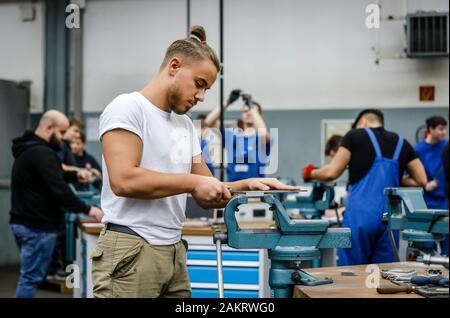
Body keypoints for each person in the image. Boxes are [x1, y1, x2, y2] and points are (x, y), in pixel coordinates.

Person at [92, 25, 297, 298]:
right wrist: (194, 182)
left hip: (174, 251)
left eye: (207, 89)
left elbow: (207, 189)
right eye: (199, 84)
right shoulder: (128, 108)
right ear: (174, 66)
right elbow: (124, 180)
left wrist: (248, 186)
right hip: (132, 248)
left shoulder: (185, 125)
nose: (201, 96)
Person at [302, 109, 427, 266]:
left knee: (352, 273)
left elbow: (332, 172)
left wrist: (310, 172)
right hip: (390, 220)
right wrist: (393, 179)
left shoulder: (354, 135)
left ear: (362, 122)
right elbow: (421, 180)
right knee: (384, 275)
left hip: (360, 216)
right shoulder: (402, 142)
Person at [9, 110, 103, 298]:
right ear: (48, 127)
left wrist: (75, 174)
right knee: (30, 279)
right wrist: (88, 209)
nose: (63, 139)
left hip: (23, 223)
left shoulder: (29, 149)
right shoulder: (42, 153)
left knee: (28, 277)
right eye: (61, 133)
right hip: (37, 228)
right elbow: (59, 188)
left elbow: (49, 175)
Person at [204, 90, 271, 181]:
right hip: (234, 188)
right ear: (241, 115)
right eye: (245, 111)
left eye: (252, 111)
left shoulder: (260, 138)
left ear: (259, 116)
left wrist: (252, 108)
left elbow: (263, 133)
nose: (249, 113)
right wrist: (227, 102)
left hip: (256, 190)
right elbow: (209, 121)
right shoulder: (231, 136)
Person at [414, 116, 448, 255]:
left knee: (447, 239)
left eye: (444, 128)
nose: (443, 132)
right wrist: (425, 184)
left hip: (445, 201)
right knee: (426, 242)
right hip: (426, 202)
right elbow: (407, 177)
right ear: (430, 129)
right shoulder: (418, 149)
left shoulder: (446, 146)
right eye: (440, 128)